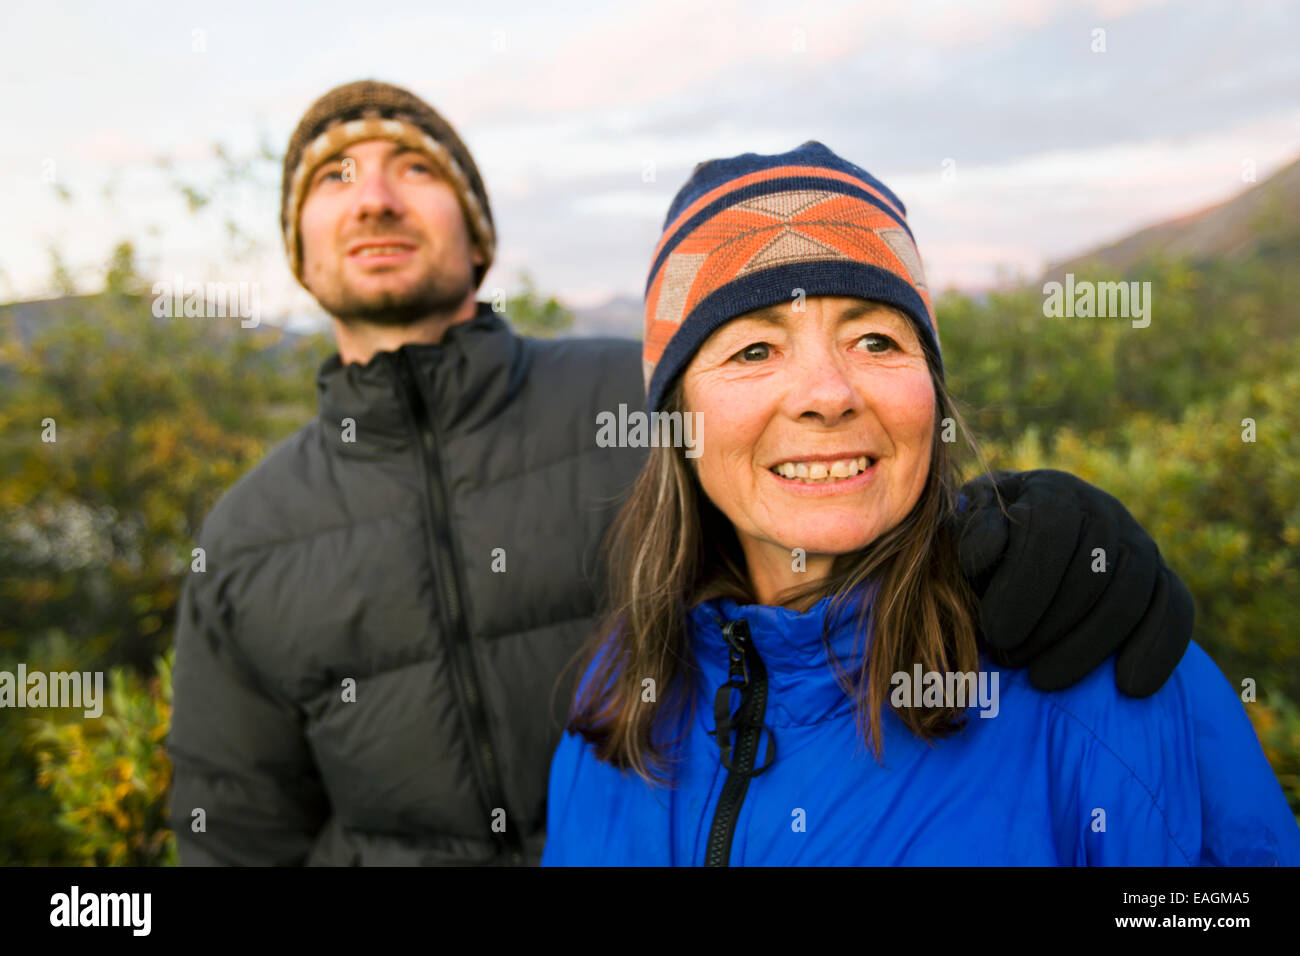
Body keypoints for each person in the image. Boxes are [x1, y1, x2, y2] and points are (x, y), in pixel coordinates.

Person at [166, 82, 1195, 866]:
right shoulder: (249, 533)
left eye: (416, 167)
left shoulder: (635, 394)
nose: (376, 196)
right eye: (334, 178)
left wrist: (1053, 535)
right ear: (297, 250)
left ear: (478, 231)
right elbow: (236, 834)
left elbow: (835, 475)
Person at [541, 142, 1300, 866]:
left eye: (875, 340)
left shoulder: (1101, 674)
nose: (828, 394)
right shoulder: (618, 701)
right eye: (754, 350)